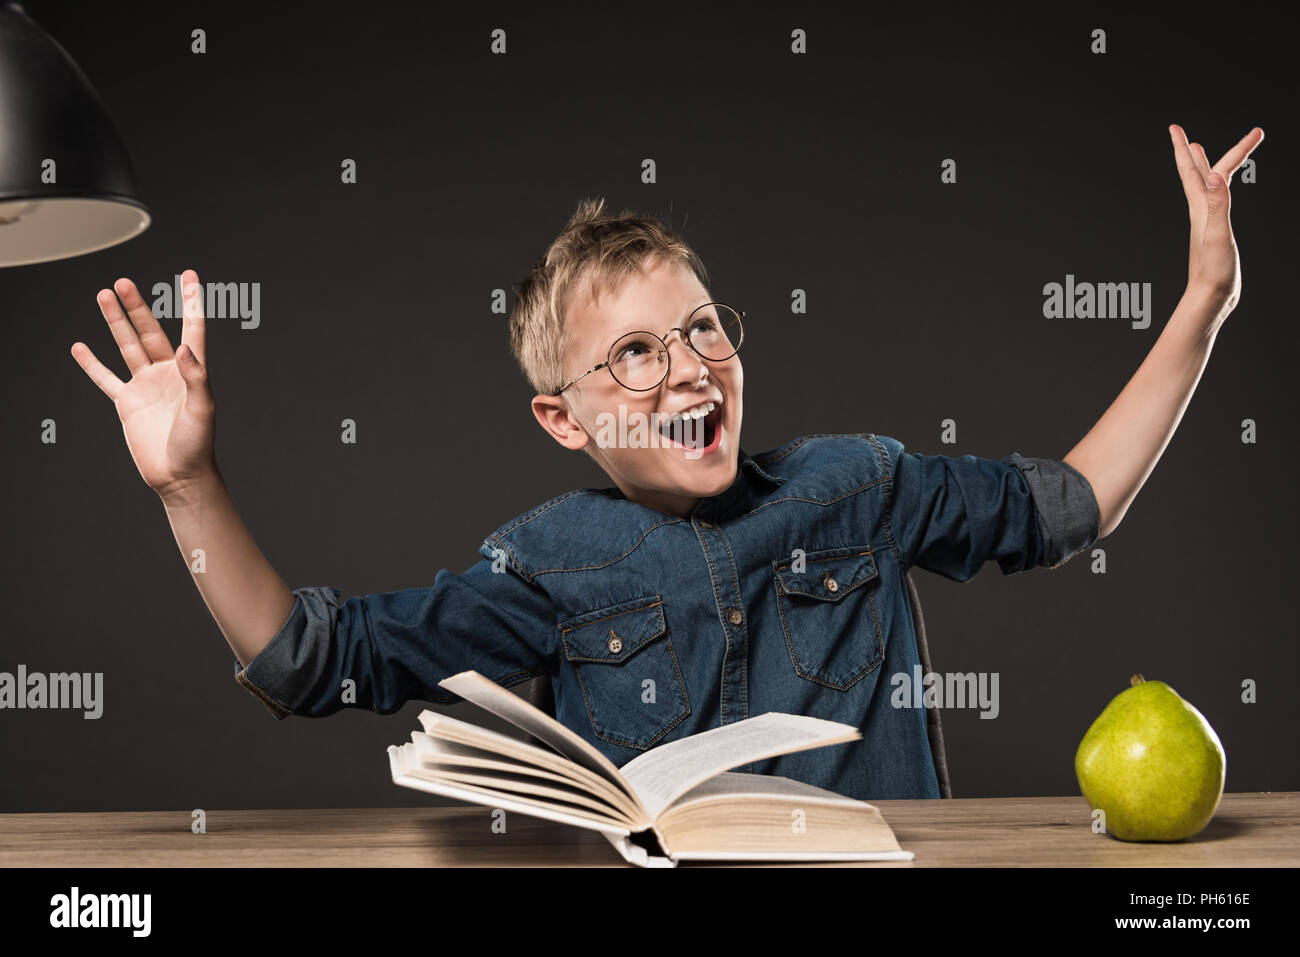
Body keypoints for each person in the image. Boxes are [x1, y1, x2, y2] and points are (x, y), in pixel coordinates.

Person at [69, 125, 1262, 800]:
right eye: (633, 353)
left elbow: (1073, 505)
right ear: (565, 420)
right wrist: (187, 484)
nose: (688, 369)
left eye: (701, 331)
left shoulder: (856, 486)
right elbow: (306, 662)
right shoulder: (543, 567)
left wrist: (1203, 304)